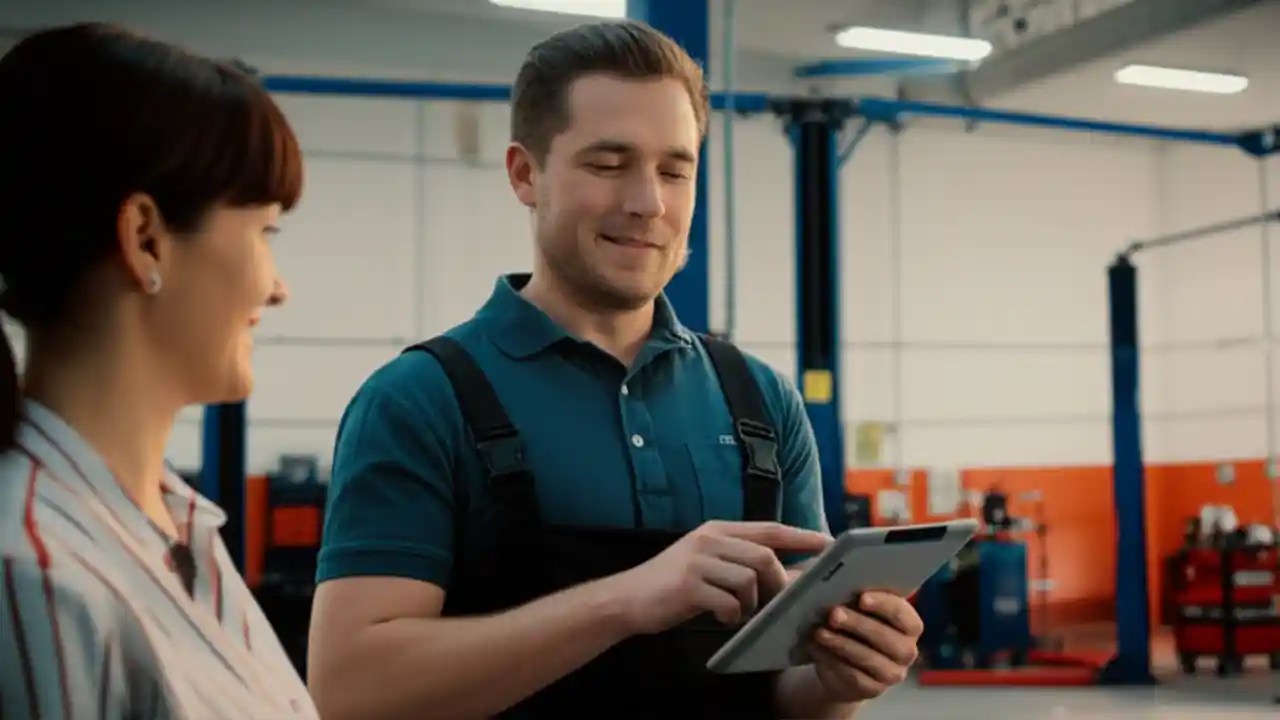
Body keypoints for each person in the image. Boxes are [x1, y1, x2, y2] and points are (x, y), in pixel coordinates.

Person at [308, 20, 923, 720]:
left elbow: (787, 693)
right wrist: (626, 600)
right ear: (525, 174)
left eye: (675, 170)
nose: (648, 202)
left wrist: (841, 678)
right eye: (607, 164)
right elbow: (350, 690)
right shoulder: (420, 399)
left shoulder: (760, 401)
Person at [0, 22, 318, 719]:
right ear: (146, 240)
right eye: (264, 232)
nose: (278, 288)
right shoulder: (37, 575)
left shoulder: (179, 527)